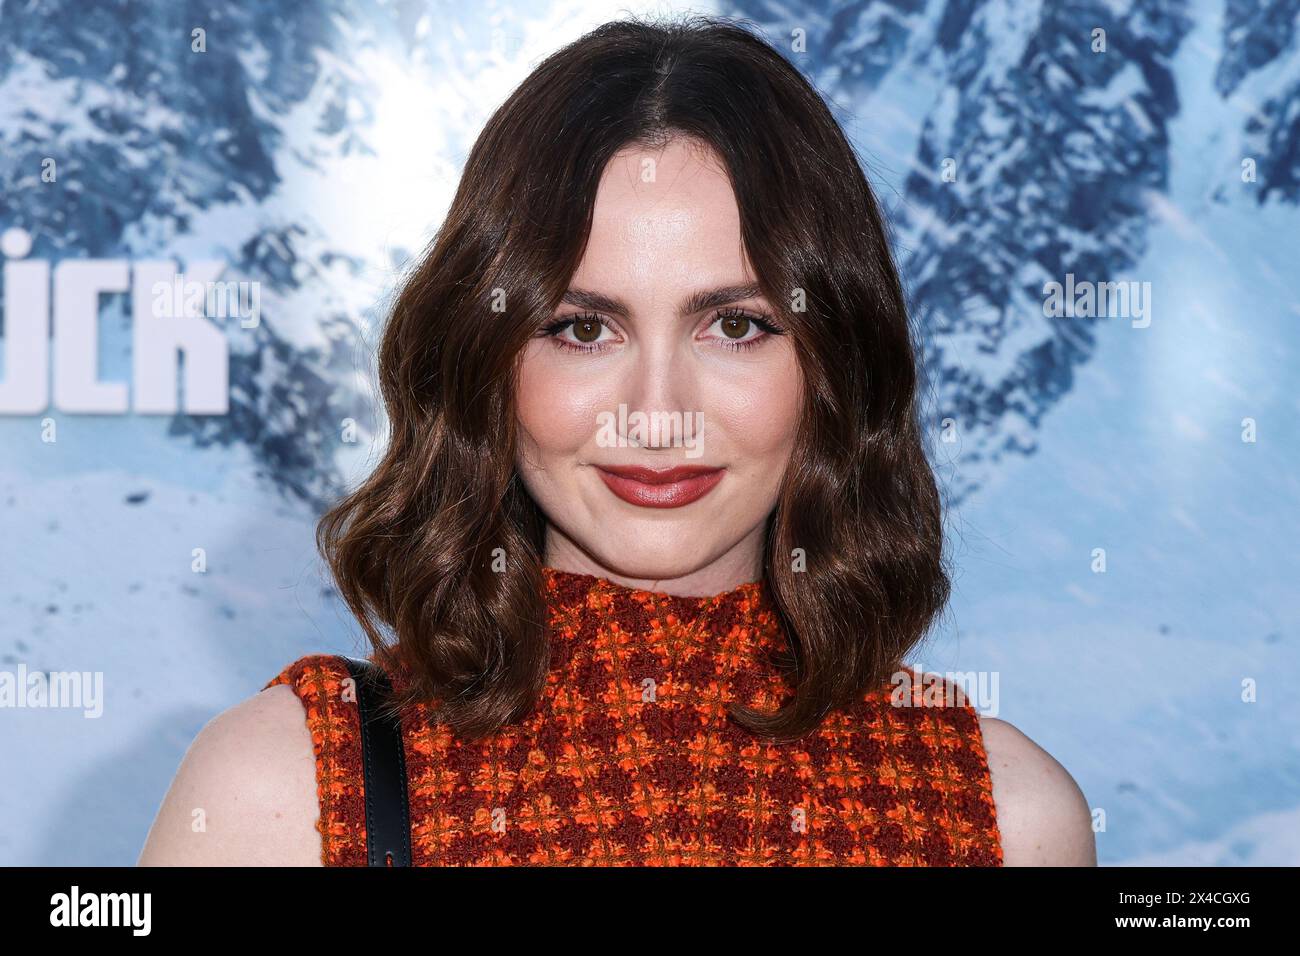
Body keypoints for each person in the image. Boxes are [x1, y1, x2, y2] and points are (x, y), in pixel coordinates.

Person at [139, 14, 1095, 867]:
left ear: (832, 364)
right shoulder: (285, 795)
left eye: (736, 326)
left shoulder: (1006, 821)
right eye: (582, 329)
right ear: (487, 358)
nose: (657, 410)